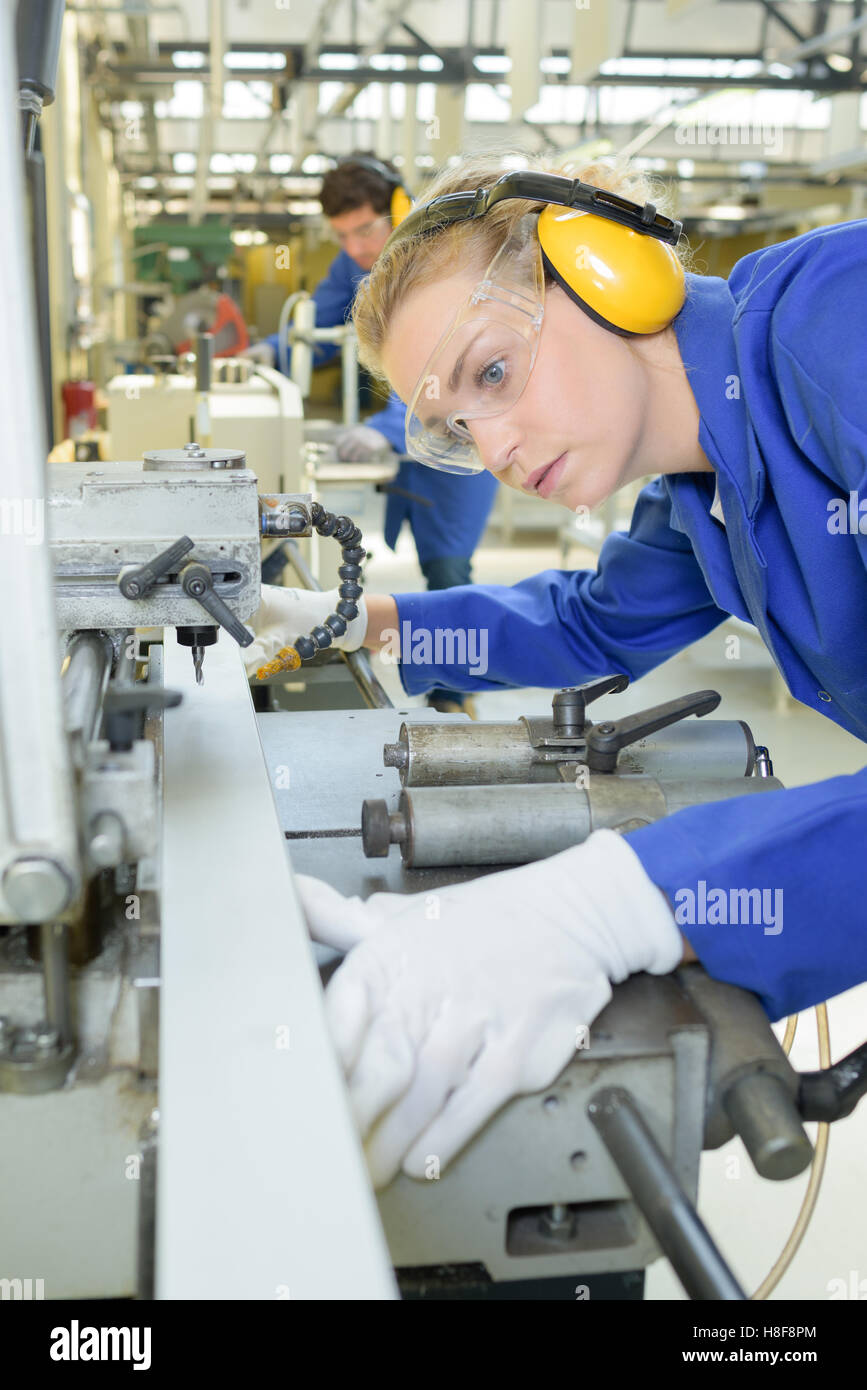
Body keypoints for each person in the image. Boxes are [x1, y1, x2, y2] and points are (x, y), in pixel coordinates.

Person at [245, 151, 867, 1191]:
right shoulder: (696, 489)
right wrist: (362, 619)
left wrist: (619, 903)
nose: (489, 445)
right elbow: (588, 626)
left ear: (606, 268)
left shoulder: (835, 319)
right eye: (454, 427)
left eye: (490, 373)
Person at [251, 154, 500, 714]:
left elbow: (453, 360)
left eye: (365, 229)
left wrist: (388, 428)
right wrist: (276, 344)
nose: (357, 247)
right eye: (342, 235)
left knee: (448, 565)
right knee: (388, 559)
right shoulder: (352, 263)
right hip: (408, 440)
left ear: (397, 208)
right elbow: (322, 319)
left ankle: (454, 696)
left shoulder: (446, 256)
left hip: (461, 435)